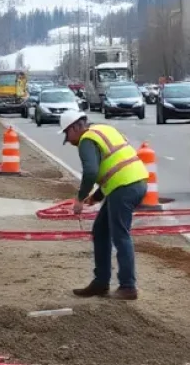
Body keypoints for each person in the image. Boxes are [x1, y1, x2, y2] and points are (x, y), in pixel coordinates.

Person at [60, 110, 148, 300]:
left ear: (76, 127)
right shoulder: (103, 130)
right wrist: (96, 197)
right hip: (135, 182)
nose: (68, 140)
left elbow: (91, 172)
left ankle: (127, 286)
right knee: (100, 231)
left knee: (120, 235)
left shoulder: (86, 140)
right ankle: (101, 282)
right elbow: (112, 166)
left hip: (123, 187)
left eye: (67, 134)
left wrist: (80, 199)